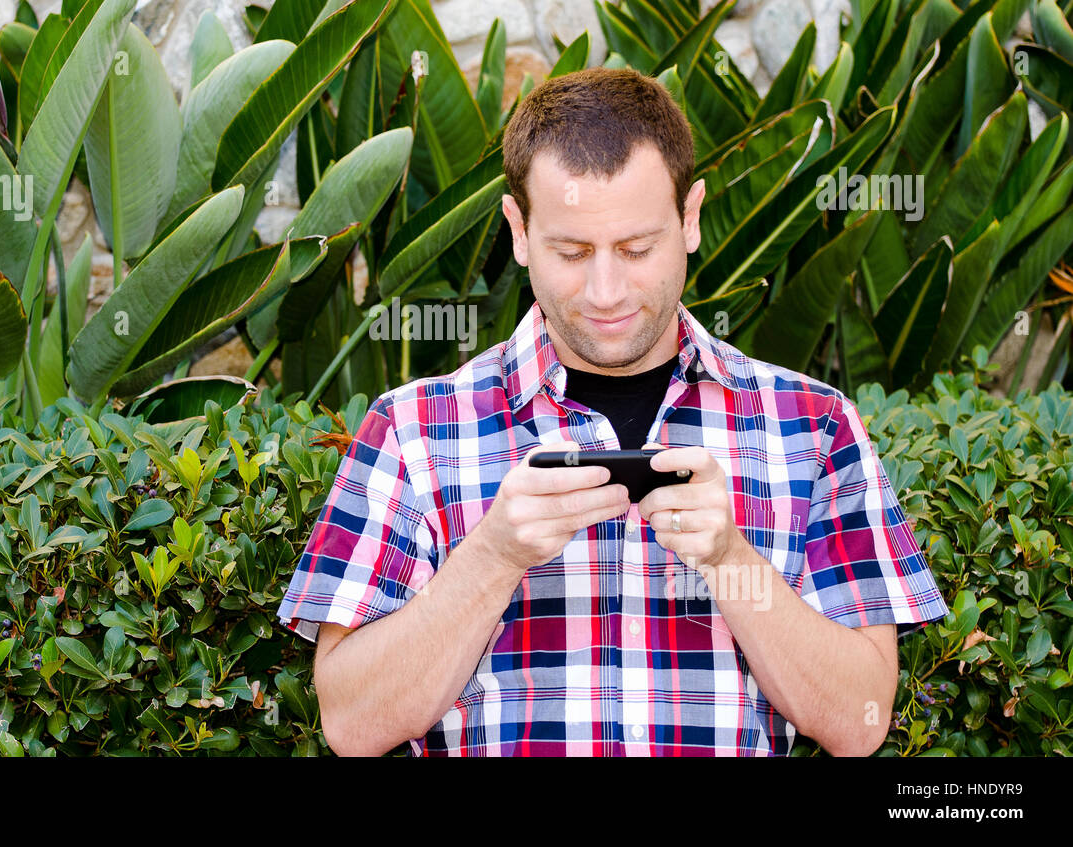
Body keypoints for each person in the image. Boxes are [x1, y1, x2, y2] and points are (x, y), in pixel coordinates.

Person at [276, 66, 949, 756]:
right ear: (518, 229)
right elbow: (352, 725)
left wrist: (728, 558)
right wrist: (493, 555)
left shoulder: (813, 425)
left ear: (690, 219)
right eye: (571, 251)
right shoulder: (413, 429)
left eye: (636, 248)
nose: (605, 289)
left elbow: (862, 721)